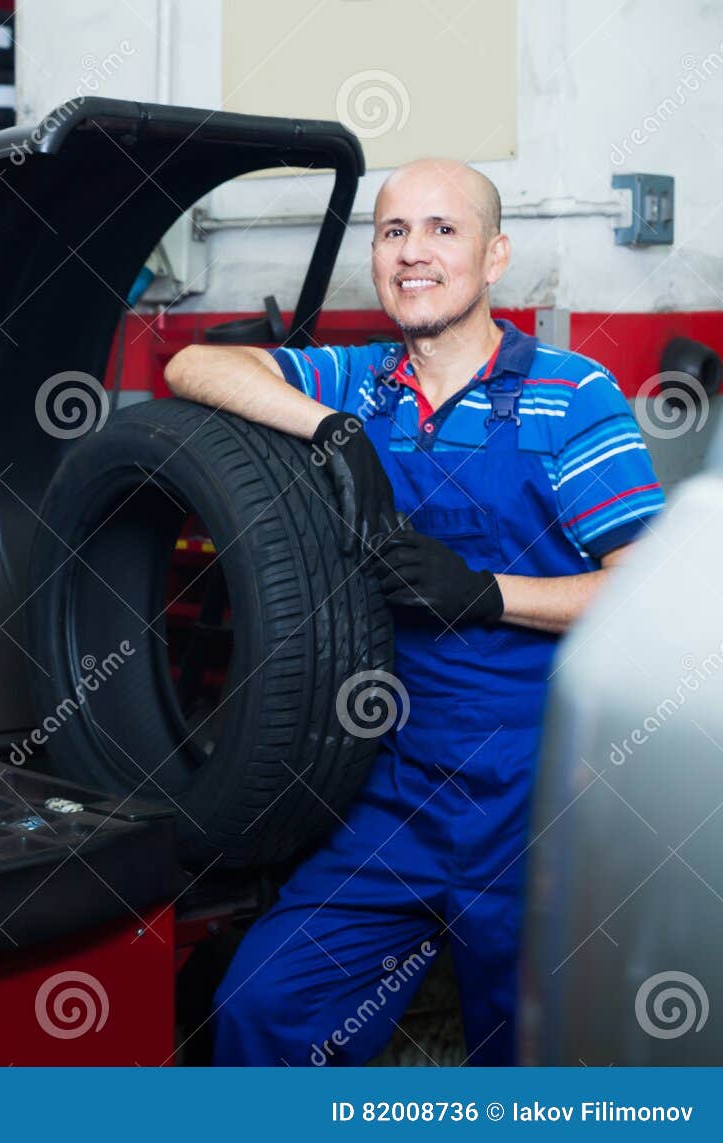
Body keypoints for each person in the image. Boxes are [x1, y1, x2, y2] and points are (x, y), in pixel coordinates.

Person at [164, 158, 665, 1064]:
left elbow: (652, 593)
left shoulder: (568, 395)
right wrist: (331, 429)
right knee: (262, 1009)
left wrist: (488, 594)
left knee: (526, 1059)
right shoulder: (358, 385)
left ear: (495, 255)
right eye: (394, 232)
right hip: (392, 795)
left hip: (538, 805)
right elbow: (192, 363)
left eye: (443, 229)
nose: (413, 253)